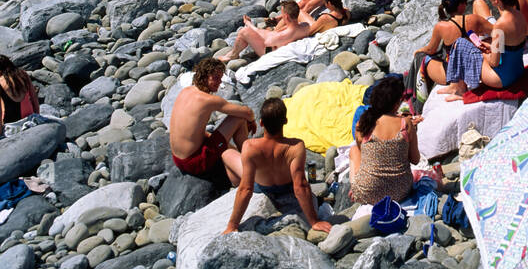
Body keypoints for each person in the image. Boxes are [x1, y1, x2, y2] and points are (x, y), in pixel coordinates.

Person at [223, 98, 332, 235]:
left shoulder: (250, 146)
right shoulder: (295, 146)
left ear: (261, 123)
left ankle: (234, 185)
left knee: (226, 154)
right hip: (287, 187)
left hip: (261, 186)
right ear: (285, 121)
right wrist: (314, 221)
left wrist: (232, 225)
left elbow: (246, 188)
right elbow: (300, 186)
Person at [169, 57, 256, 183]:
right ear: (204, 76)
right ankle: (250, 162)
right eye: (215, 78)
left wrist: (216, 139)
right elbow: (247, 112)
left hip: (178, 159)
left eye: (220, 78)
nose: (219, 82)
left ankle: (241, 161)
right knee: (239, 118)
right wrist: (252, 121)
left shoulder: (185, 91)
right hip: (194, 162)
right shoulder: (208, 100)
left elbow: (191, 130)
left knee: (226, 145)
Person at [349, 76, 421, 204]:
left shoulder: (364, 123)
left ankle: (355, 189)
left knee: (354, 150)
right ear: (396, 104)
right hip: (401, 191)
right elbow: (415, 160)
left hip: (368, 193)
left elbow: (363, 153)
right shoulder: (405, 124)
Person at [414, 0, 479, 98]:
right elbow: (496, 30)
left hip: (450, 74)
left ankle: (420, 98)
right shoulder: (474, 19)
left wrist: (418, 51)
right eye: (465, 2)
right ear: (460, 6)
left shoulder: (441, 26)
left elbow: (431, 50)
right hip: (471, 67)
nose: (466, 4)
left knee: (422, 58)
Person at [216, 0, 312, 63]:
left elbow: (266, 40)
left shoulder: (284, 34)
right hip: (280, 42)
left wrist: (248, 24)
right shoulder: (305, 26)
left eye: (282, 14)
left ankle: (233, 55)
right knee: (264, 31)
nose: (282, 16)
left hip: (269, 52)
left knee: (244, 32)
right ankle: (233, 53)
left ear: (286, 16)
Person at [0, 54, 40, 132]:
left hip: (11, 123)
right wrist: (37, 115)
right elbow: (34, 97)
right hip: (29, 117)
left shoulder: (0, 82)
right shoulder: (23, 74)